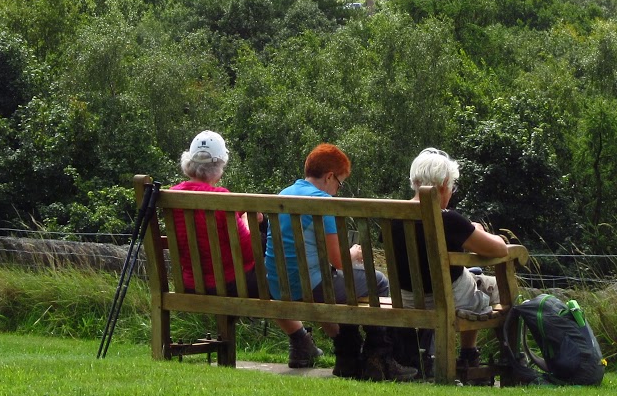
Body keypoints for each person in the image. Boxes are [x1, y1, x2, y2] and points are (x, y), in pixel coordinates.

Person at [262, 143, 416, 382]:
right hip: (312, 286)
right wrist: (353, 254)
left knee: (348, 285)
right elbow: (338, 260)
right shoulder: (322, 201)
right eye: (339, 183)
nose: (337, 191)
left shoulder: (284, 194)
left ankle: (349, 359)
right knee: (378, 281)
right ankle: (378, 357)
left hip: (279, 286)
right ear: (330, 176)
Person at [169, 130, 322, 369]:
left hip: (190, 282)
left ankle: (302, 343)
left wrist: (237, 217)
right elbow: (248, 252)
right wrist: (253, 222)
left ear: (189, 162)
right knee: (273, 275)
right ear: (219, 167)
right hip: (231, 283)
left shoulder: (172, 195)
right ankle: (300, 341)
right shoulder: (222, 199)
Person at [384, 147, 509, 372]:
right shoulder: (449, 220)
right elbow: (500, 249)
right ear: (443, 185)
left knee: (473, 278)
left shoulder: (393, 216)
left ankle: (467, 355)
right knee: (493, 285)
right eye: (452, 186)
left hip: (406, 299)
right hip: (447, 299)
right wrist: (476, 229)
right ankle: (496, 357)